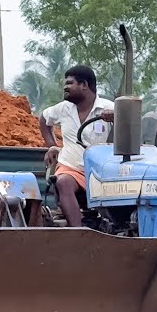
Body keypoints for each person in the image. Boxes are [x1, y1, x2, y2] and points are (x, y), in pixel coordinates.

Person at [39, 65, 114, 227]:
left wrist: (116, 118)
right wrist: (52, 145)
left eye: (70, 83)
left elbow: (129, 127)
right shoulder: (62, 109)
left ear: (84, 85)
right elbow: (44, 120)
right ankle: (79, 232)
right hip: (71, 167)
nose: (65, 87)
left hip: (100, 171)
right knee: (63, 181)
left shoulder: (109, 109)